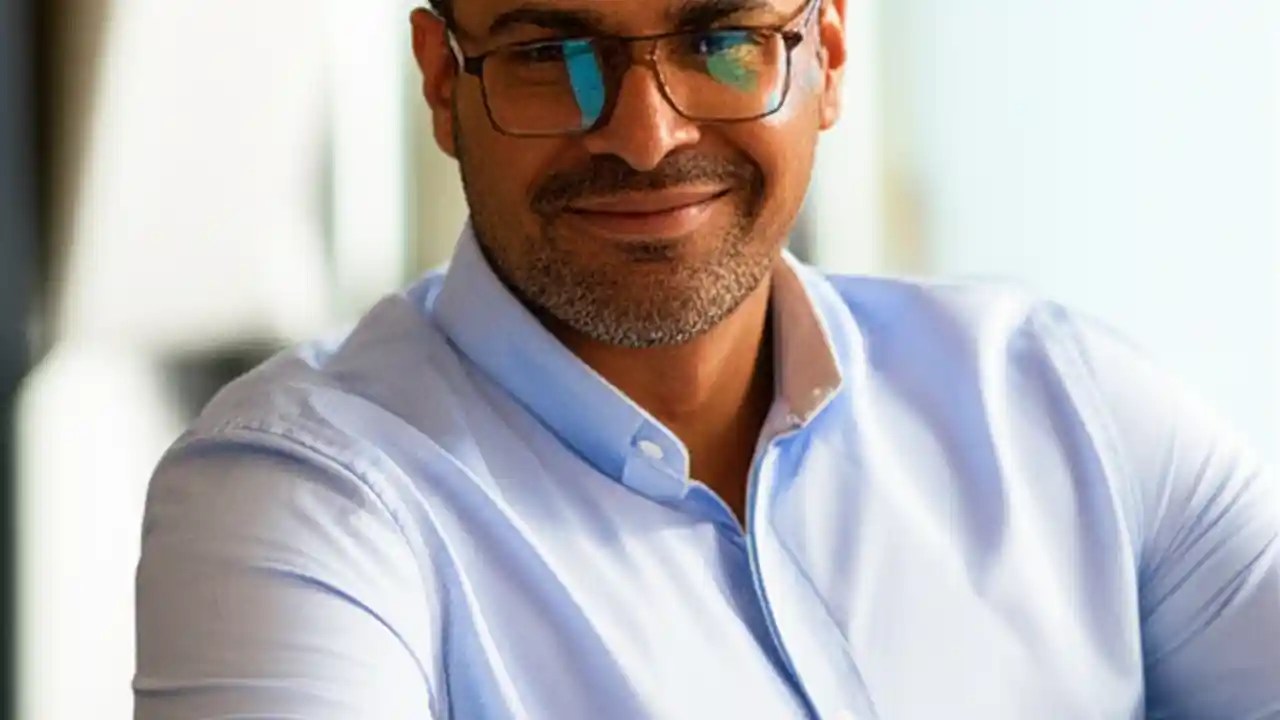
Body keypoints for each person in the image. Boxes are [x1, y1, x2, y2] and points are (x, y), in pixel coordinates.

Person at [133, 0, 1280, 717]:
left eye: (721, 38)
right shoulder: (302, 502)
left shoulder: (1066, 405)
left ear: (825, 53)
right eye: (549, 49)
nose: (645, 133)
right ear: (442, 78)